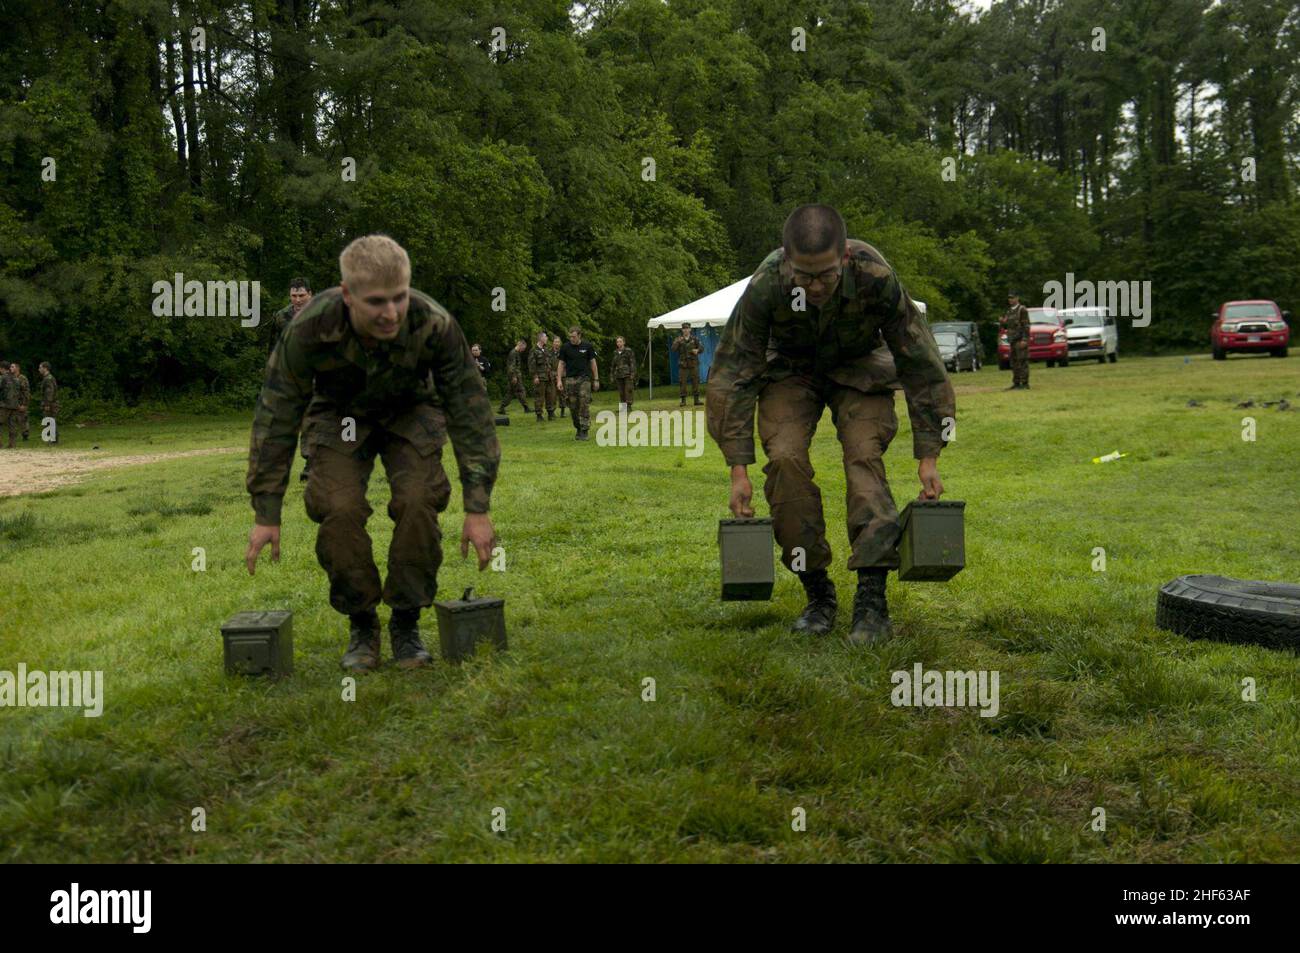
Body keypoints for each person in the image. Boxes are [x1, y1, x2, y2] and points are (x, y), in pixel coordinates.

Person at [244, 235, 500, 671]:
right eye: (376, 301)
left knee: (418, 501)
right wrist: (267, 511)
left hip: (410, 411)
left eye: (399, 298)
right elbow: (277, 415)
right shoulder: (310, 327)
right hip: (339, 414)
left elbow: (470, 412)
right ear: (347, 295)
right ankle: (362, 622)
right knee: (338, 507)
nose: (390, 313)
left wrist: (478, 507)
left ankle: (406, 621)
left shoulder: (433, 323)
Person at [707, 204, 954, 645]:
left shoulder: (875, 275)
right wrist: (738, 468)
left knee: (864, 457)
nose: (815, 287)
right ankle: (818, 593)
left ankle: (872, 600)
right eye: (804, 276)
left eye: (825, 275)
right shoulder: (766, 284)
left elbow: (919, 360)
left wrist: (929, 454)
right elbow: (734, 370)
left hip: (860, 369)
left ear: (843, 257)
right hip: (790, 372)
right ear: (787, 259)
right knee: (784, 461)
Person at [557, 326, 599, 440]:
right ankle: (578, 428)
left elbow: (593, 363)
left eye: (574, 337)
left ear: (579, 335)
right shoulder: (565, 347)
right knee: (573, 406)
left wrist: (596, 379)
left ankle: (585, 430)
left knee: (584, 403)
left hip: (584, 379)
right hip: (570, 380)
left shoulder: (587, 346)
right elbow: (561, 364)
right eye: (570, 337)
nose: (572, 339)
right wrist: (559, 380)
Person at [1001, 292, 1030, 390]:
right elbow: (1007, 326)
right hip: (1012, 340)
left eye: (1012, 298)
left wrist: (1025, 339)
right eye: (1009, 298)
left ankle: (1024, 383)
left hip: (1020, 339)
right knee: (1014, 362)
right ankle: (1016, 383)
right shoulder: (1009, 311)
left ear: (1017, 298)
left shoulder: (1022, 310)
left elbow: (1026, 326)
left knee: (1022, 361)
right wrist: (1003, 322)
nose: (1010, 300)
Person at [671, 323, 703, 406]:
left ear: (690, 329)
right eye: (684, 329)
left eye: (687, 328)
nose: (686, 330)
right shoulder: (679, 339)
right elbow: (673, 349)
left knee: (695, 381)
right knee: (682, 382)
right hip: (683, 364)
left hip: (693, 363)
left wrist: (697, 350)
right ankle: (683, 401)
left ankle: (696, 400)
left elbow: (702, 348)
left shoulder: (695, 339)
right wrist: (677, 342)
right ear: (682, 330)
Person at [498, 339, 532, 415]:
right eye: (523, 348)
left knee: (511, 392)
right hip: (514, 375)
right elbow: (512, 366)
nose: (523, 350)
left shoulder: (515, 353)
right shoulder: (513, 353)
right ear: (520, 345)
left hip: (514, 375)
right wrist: (514, 377)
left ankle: (502, 408)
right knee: (521, 391)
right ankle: (526, 408)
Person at [528, 332, 556, 421]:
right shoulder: (534, 350)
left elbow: (550, 363)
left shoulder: (546, 349)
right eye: (545, 337)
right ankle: (539, 415)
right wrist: (535, 376)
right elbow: (532, 365)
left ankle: (551, 413)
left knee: (550, 395)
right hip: (540, 377)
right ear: (541, 338)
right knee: (539, 396)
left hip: (549, 377)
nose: (547, 338)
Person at [611, 336, 637, 411]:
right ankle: (623, 408)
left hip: (627, 374)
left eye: (620, 341)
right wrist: (612, 375)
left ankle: (628, 406)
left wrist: (633, 373)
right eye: (617, 342)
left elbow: (632, 362)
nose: (619, 343)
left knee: (628, 390)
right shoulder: (615, 352)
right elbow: (613, 364)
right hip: (618, 375)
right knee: (621, 392)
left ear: (624, 342)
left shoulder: (628, 351)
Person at [37, 362, 58, 443]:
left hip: (50, 404)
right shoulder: (48, 378)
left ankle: (53, 440)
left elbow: (49, 392)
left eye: (40, 367)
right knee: (50, 421)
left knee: (50, 421)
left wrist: (47, 404)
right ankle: (52, 439)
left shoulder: (48, 378)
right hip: (51, 403)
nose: (39, 369)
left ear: (45, 368)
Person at [0, 362, 18, 449]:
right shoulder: (15, 378)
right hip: (14, 405)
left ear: (2, 368)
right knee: (12, 425)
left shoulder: (2, 378)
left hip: (4, 405)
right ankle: (12, 444)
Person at [10, 364, 30, 441]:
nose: (10, 368)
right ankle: (13, 436)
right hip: (12, 403)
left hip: (21, 402)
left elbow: (26, 392)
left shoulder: (22, 378)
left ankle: (25, 436)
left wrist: (24, 404)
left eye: (12, 367)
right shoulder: (11, 378)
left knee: (23, 420)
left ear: (17, 368)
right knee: (12, 420)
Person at [550, 334, 566, 417]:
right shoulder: (549, 352)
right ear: (552, 343)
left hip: (563, 375)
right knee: (553, 395)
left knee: (563, 394)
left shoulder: (563, 352)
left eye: (558, 342)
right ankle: (552, 412)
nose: (557, 343)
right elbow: (547, 365)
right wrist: (554, 374)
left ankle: (563, 412)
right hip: (552, 376)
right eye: (555, 342)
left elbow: (565, 363)